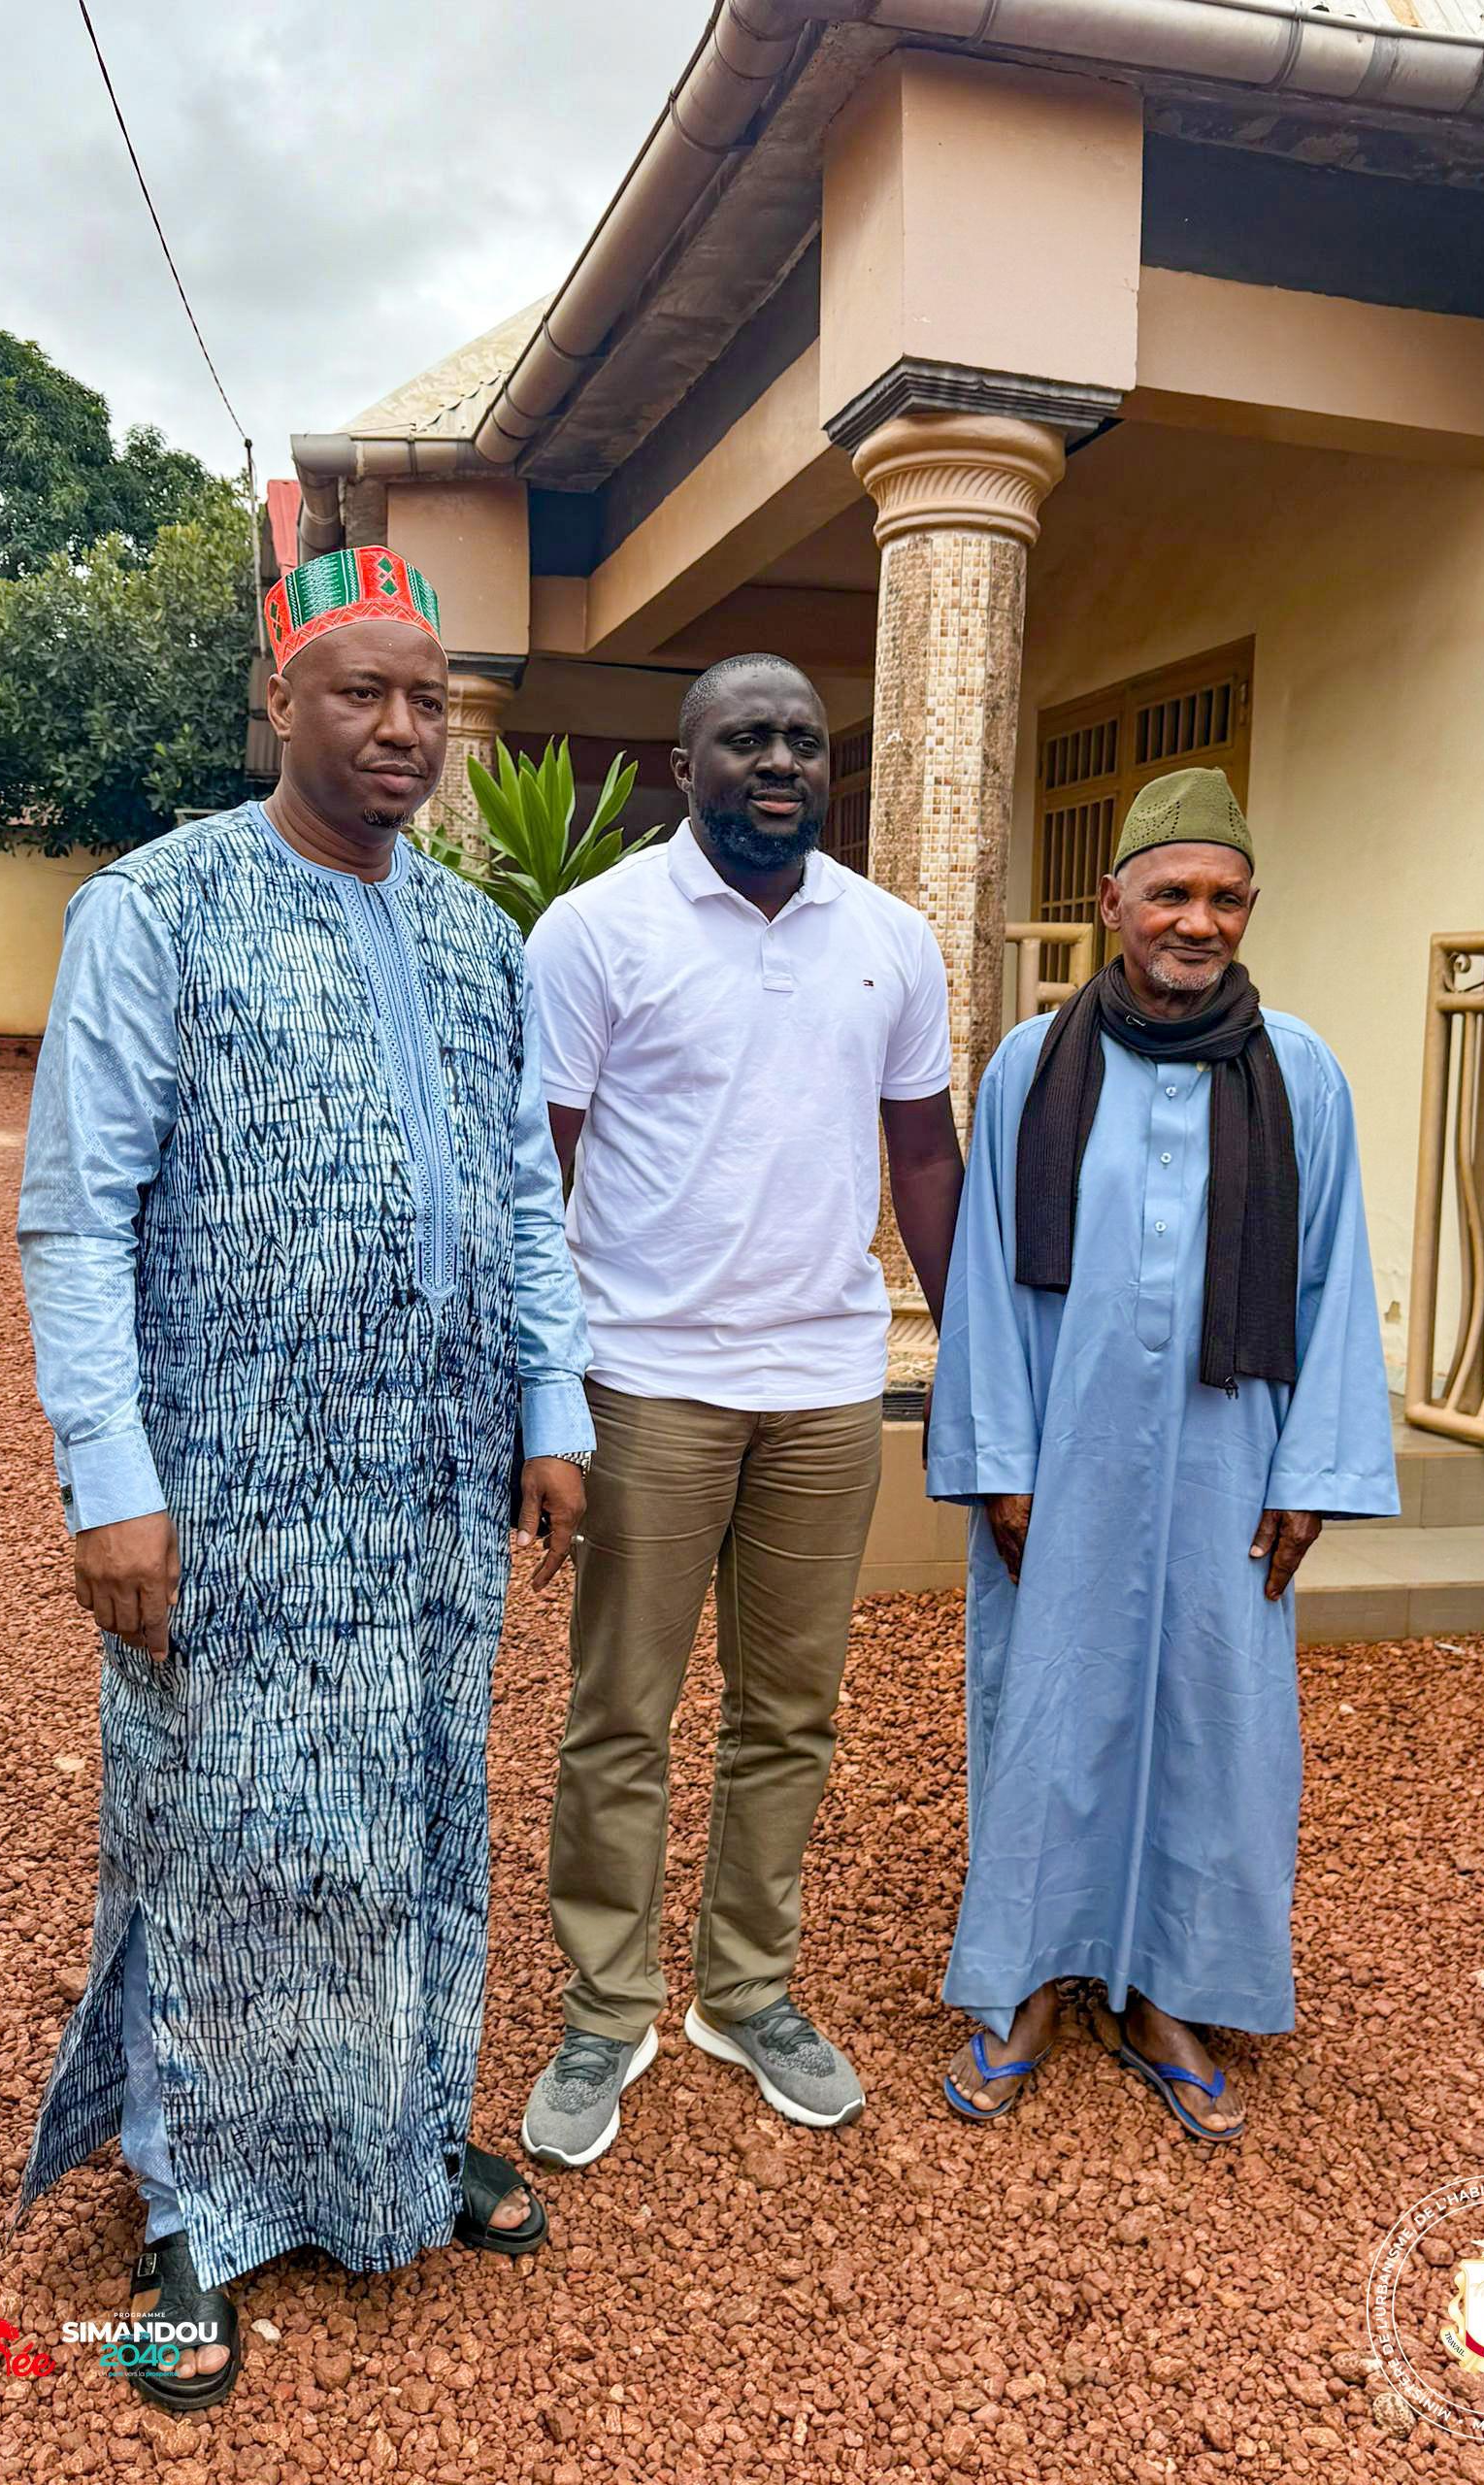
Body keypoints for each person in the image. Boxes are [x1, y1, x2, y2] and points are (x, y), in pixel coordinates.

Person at [11, 545, 595, 2413]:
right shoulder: (158, 910)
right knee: (221, 1828)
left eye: (430, 698)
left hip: (428, 1488)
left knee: (417, 1801)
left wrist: (554, 1405)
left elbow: (518, 1197)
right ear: (281, 698)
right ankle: (192, 2208)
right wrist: (110, 1473)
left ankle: (398, 2146)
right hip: (229, 1483)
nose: (407, 731)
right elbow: (76, 1214)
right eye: (364, 692)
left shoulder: (477, 941)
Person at [519, 653, 964, 2169]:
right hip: (645, 1379)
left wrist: (966, 1346)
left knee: (791, 1711)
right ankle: (606, 2006)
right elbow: (542, 1170)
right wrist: (543, 1386)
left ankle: (747, 1990)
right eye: (746, 739)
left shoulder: (890, 939)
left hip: (828, 1385)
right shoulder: (597, 931)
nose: (779, 761)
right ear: (684, 758)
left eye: (802, 740)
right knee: (621, 1714)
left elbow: (923, 1159)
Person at [927, 766, 1398, 2140]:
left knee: (1218, 1716)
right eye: (1173, 894)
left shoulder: (1301, 1074)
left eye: (1226, 898)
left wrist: (1310, 1473)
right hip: (1064, 1455)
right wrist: (998, 1456)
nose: (1199, 922)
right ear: (1112, 902)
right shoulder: (1032, 1065)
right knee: (1047, 1702)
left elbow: (1331, 1275)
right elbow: (993, 1278)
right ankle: (1023, 1978)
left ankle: (1170, 1992)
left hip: (1227, 1458)